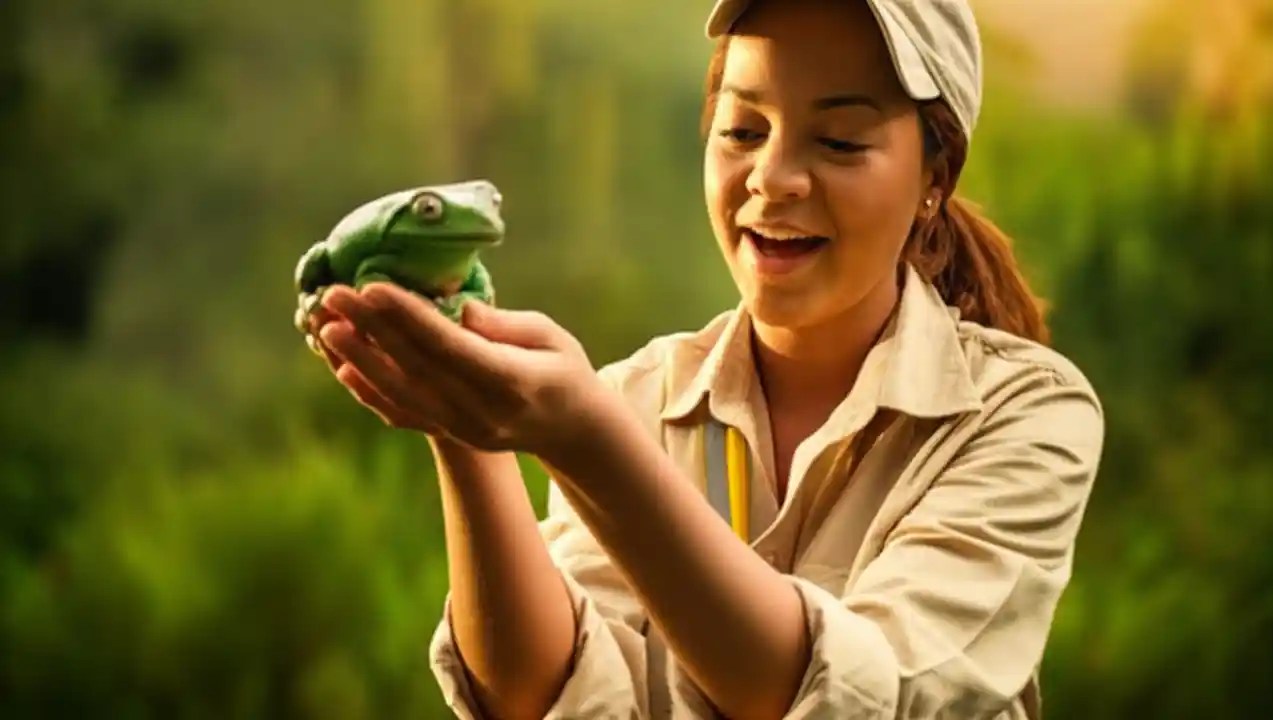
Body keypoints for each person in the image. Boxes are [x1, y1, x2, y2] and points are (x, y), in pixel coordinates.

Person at [307, 0, 1105, 717]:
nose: (773, 176)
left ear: (936, 175)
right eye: (743, 131)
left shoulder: (1022, 413)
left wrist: (587, 444)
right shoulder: (633, 398)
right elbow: (547, 695)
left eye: (838, 140)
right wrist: (466, 422)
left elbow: (869, 697)